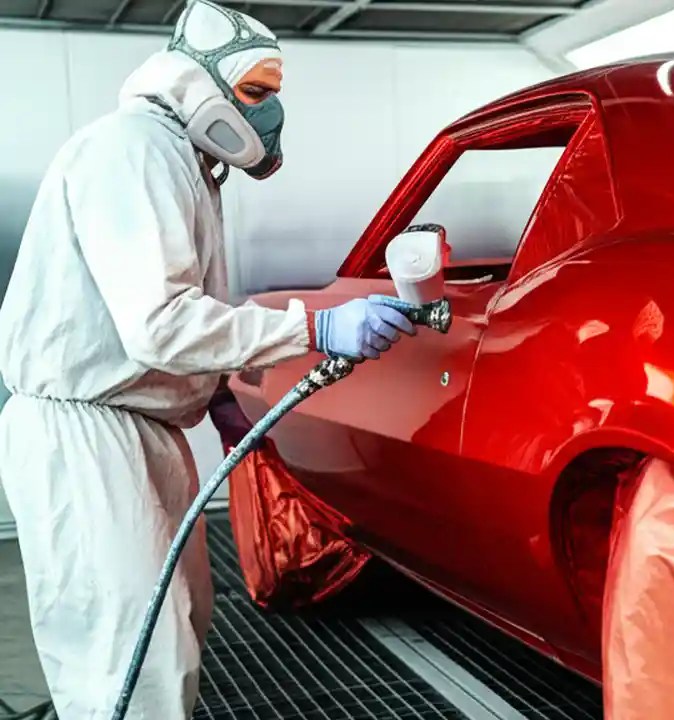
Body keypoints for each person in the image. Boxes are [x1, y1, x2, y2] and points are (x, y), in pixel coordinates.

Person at [0, 1, 414, 717]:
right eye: (254, 92)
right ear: (193, 85)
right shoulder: (135, 148)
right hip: (87, 436)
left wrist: (214, 390)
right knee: (131, 652)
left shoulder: (186, 165)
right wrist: (317, 325)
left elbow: (158, 311)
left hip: (136, 426)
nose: (268, 113)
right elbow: (159, 322)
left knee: (182, 617)